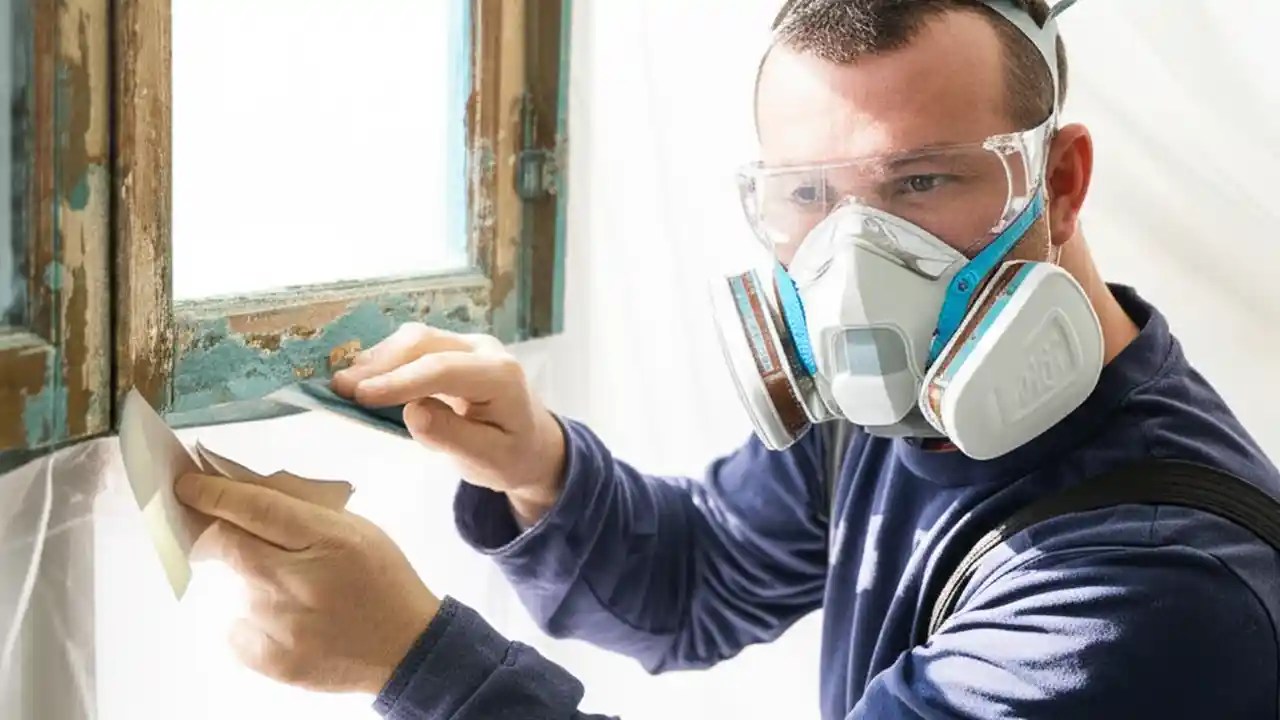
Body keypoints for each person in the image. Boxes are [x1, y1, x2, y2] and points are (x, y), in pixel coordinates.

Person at [178, 1, 1280, 718]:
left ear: (1060, 182)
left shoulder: (1148, 598)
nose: (856, 264)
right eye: (806, 196)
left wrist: (416, 662)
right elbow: (693, 579)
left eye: (919, 183)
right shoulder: (897, 411)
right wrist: (536, 470)